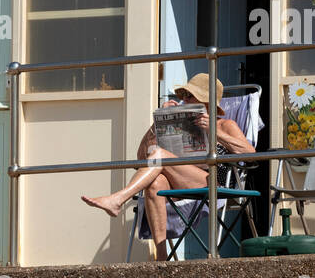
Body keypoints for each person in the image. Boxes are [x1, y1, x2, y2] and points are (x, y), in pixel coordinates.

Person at [81, 73, 254, 261]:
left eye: (189, 96)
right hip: (178, 181)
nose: (183, 100)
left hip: (211, 182)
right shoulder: (178, 124)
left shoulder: (226, 125)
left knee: (160, 156)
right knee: (155, 184)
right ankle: (162, 259)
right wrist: (158, 123)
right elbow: (141, 157)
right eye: (182, 96)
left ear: (207, 101)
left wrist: (213, 131)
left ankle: (118, 199)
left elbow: (250, 155)